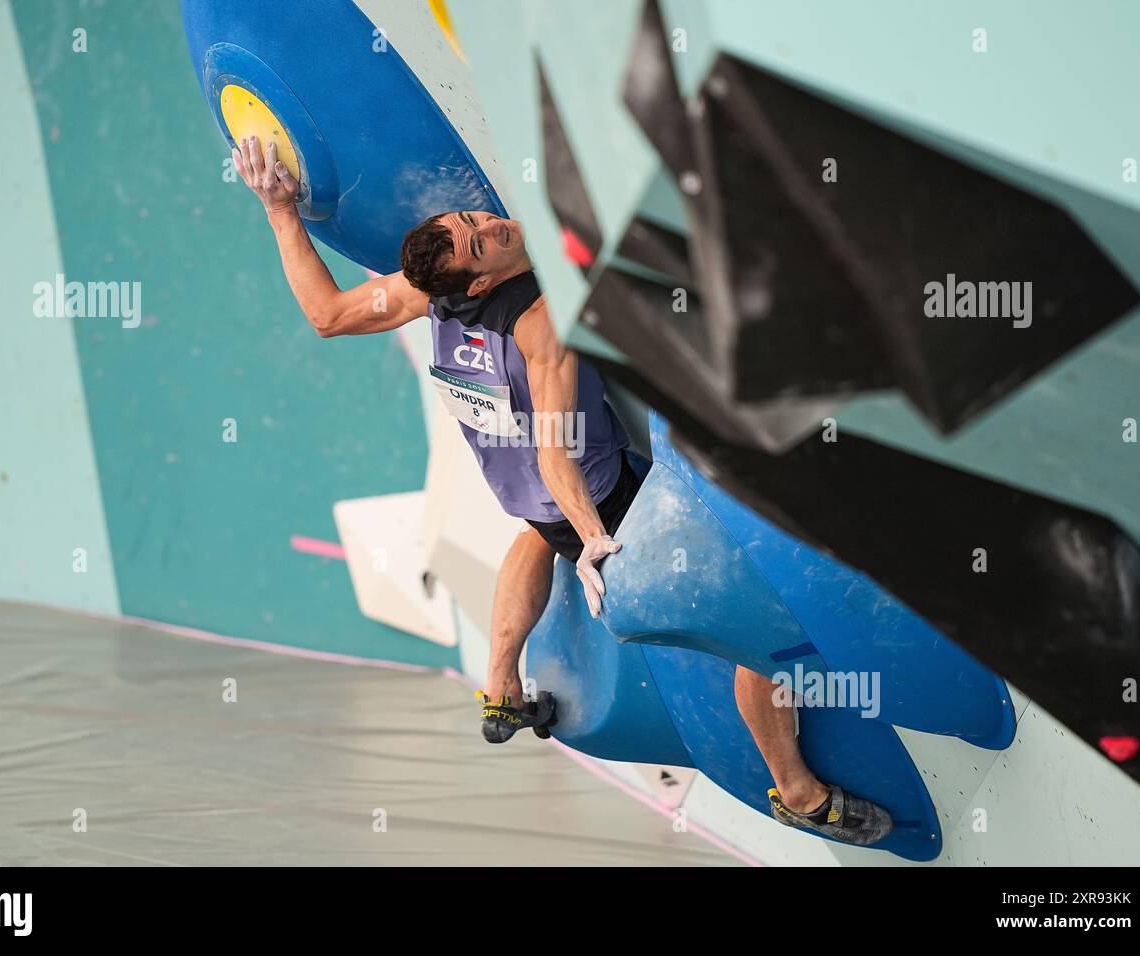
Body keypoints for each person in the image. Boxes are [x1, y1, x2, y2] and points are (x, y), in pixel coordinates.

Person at [233, 135, 893, 845]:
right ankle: (797, 792)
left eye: (472, 222)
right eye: (480, 243)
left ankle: (501, 685)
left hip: (522, 500)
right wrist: (597, 540)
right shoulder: (541, 318)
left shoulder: (424, 290)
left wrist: (279, 211)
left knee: (534, 538)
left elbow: (327, 315)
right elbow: (557, 452)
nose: (491, 227)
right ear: (479, 284)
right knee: (759, 643)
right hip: (604, 500)